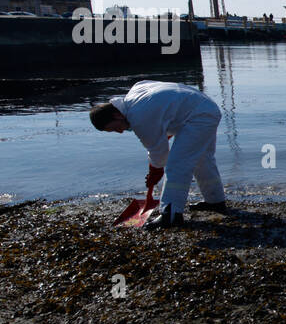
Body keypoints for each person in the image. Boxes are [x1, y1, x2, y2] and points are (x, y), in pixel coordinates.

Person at [89, 80, 226, 229]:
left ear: (117, 115)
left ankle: (171, 215)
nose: (120, 131)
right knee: (202, 159)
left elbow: (160, 154)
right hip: (204, 106)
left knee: (177, 165)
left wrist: (155, 172)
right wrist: (155, 166)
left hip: (198, 116)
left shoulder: (138, 117)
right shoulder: (135, 93)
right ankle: (215, 202)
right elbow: (161, 122)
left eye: (115, 128)